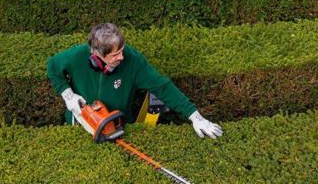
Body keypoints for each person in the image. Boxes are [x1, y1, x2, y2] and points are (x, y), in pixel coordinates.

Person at [47, 23, 224, 140]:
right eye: (115, 55)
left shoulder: (133, 60)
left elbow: (162, 86)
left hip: (117, 127)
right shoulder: (75, 56)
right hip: (79, 124)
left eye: (122, 50)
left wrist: (195, 117)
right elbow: (52, 67)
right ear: (96, 55)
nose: (122, 57)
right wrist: (67, 94)